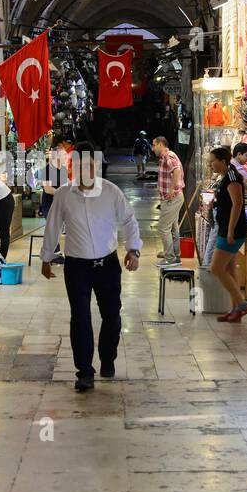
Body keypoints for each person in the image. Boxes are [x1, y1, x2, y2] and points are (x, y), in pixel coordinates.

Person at [41, 142, 141, 392]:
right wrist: (46, 258)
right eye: (80, 165)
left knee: (112, 316)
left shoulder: (111, 191)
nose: (85, 169)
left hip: (107, 265)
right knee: (81, 318)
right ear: (73, 166)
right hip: (77, 268)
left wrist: (133, 249)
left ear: (96, 165)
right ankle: (84, 371)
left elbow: (129, 220)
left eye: (90, 164)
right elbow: (52, 225)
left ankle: (108, 358)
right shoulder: (64, 194)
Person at [207, 146, 247, 322]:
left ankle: (241, 304)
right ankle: (236, 310)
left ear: (223, 161)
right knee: (230, 269)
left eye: (213, 161)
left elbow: (238, 203)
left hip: (233, 230)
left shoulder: (232, 177)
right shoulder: (225, 177)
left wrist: (231, 230)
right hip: (226, 227)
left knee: (216, 268)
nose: (210, 164)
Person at [152, 135, 185, 265]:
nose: (152, 148)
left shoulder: (167, 156)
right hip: (173, 198)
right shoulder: (165, 157)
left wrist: (171, 189)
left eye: (154, 145)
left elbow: (176, 170)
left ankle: (170, 258)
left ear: (161, 144)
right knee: (173, 228)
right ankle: (175, 256)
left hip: (172, 198)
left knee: (163, 228)